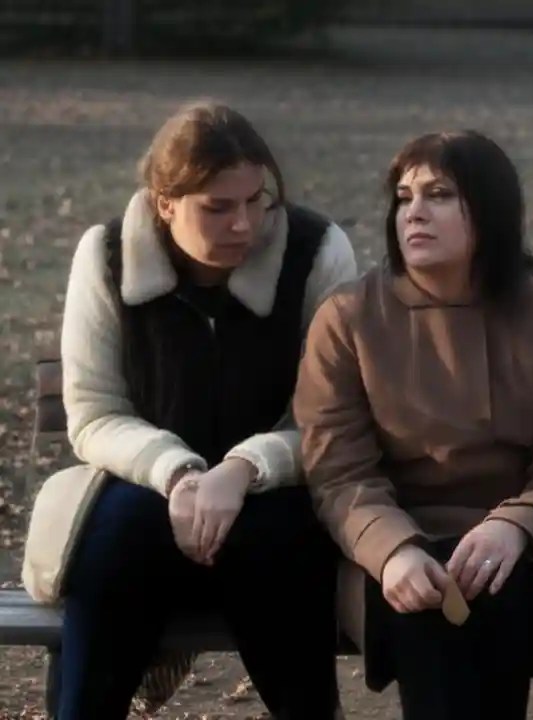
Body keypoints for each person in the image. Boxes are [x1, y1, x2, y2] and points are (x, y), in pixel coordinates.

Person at [51, 101, 357, 718]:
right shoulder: (108, 255)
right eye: (217, 207)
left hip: (276, 494)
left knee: (273, 540)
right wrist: (178, 473)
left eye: (257, 201)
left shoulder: (317, 251)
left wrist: (242, 469)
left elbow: (336, 414)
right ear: (165, 202)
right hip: (148, 489)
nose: (243, 224)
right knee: (115, 536)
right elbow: (94, 412)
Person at [293, 129, 533, 720]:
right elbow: (338, 473)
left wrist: (517, 527)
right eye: (404, 196)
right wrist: (393, 551)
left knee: (499, 601)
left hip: (531, 548)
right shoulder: (348, 318)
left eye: (438, 194)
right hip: (391, 543)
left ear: (489, 209)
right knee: (421, 616)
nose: (414, 212)